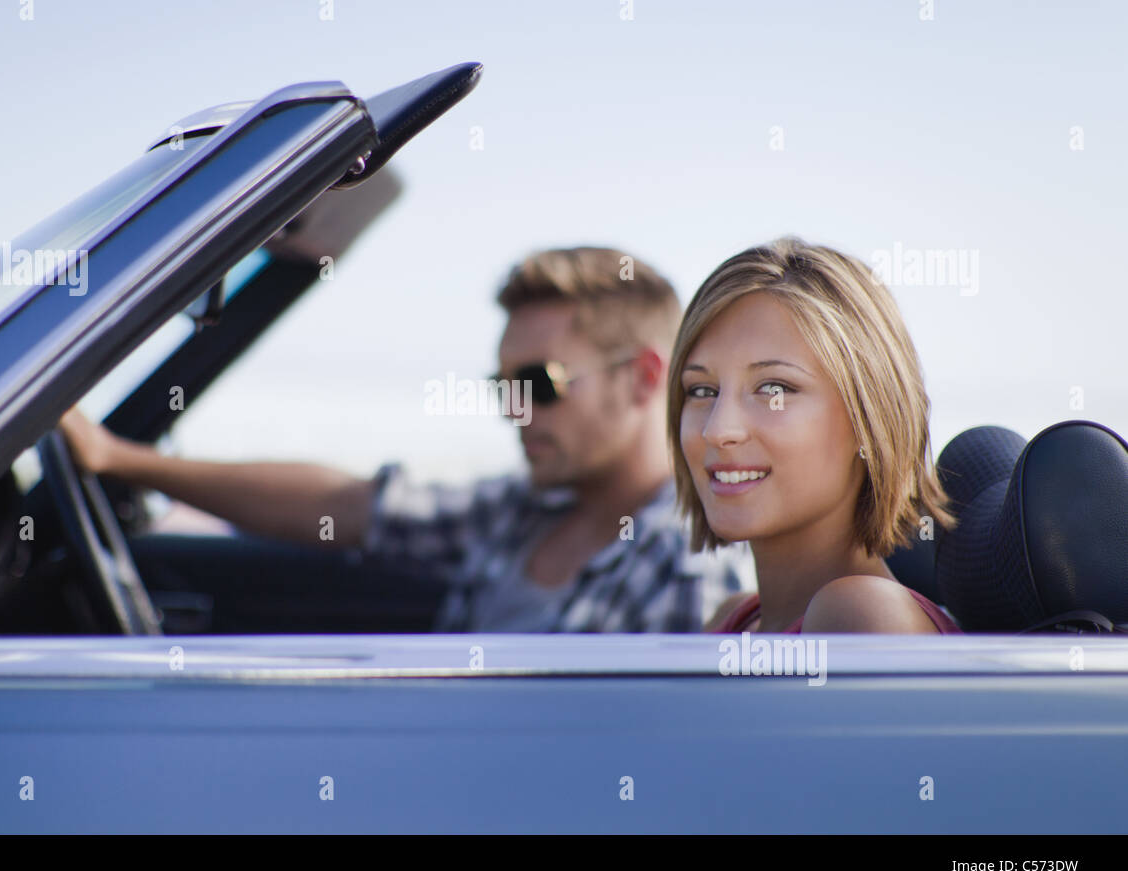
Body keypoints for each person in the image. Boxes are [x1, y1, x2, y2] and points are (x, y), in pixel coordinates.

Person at [59, 246, 754, 632]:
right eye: (501, 384)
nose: (514, 409)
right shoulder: (517, 512)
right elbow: (346, 506)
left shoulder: (691, 570)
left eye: (538, 383)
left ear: (642, 379)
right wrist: (118, 459)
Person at [667, 238, 962, 634]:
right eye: (702, 391)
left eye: (774, 389)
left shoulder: (859, 613)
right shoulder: (734, 618)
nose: (718, 430)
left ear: (870, 417)